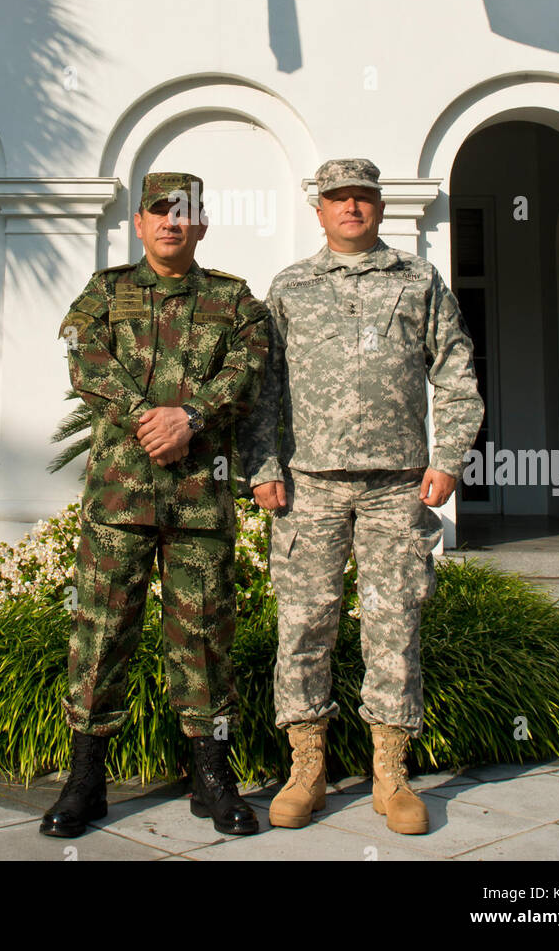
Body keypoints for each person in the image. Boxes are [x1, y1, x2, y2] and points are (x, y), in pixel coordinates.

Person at [240, 158, 484, 836]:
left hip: (396, 486)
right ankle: (306, 768)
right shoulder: (291, 286)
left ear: (379, 207)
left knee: (394, 625)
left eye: (363, 198)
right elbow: (264, 386)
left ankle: (391, 773)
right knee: (305, 626)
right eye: (337, 198)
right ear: (318, 209)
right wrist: (263, 464)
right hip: (309, 489)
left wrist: (449, 457)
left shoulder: (419, 279)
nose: (351, 208)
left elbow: (457, 371)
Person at [40, 172, 269, 840]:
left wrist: (192, 416)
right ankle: (86, 781)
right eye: (159, 213)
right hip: (119, 501)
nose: (172, 223)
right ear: (138, 223)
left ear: (201, 225)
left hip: (200, 503)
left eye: (185, 214)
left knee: (205, 642)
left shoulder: (234, 299)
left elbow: (250, 370)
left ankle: (212, 779)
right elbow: (85, 360)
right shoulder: (104, 293)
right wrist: (150, 418)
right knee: (101, 636)